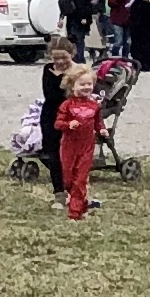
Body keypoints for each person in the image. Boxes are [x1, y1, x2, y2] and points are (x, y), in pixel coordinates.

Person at [53, 66, 102, 220]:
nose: (86, 87)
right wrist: (68, 124)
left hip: (87, 146)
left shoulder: (95, 105)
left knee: (80, 179)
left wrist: (102, 130)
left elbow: (97, 122)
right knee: (68, 179)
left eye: (89, 84)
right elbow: (57, 124)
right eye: (82, 84)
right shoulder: (67, 105)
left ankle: (75, 212)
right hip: (69, 146)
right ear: (72, 86)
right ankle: (83, 202)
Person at [39, 36, 77, 197]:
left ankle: (74, 188)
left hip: (71, 116)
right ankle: (59, 191)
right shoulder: (48, 69)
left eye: (64, 57)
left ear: (72, 54)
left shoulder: (78, 72)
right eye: (56, 58)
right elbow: (50, 94)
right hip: (50, 115)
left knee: (70, 153)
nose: (60, 61)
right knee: (51, 153)